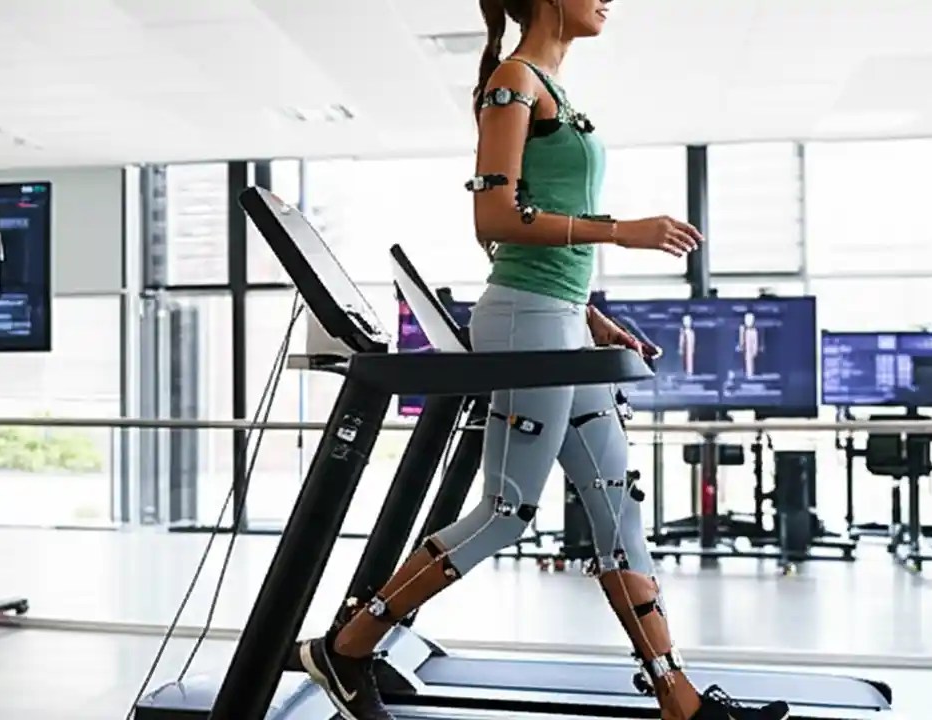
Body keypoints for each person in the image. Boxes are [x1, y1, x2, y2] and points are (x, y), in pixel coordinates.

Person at [298, 2, 791, 719]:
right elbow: (493, 222)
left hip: (558, 321)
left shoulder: (552, 90)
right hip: (525, 320)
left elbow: (531, 230)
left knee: (617, 509)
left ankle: (678, 699)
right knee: (505, 512)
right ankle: (346, 648)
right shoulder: (514, 80)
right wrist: (625, 233)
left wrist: (593, 318)